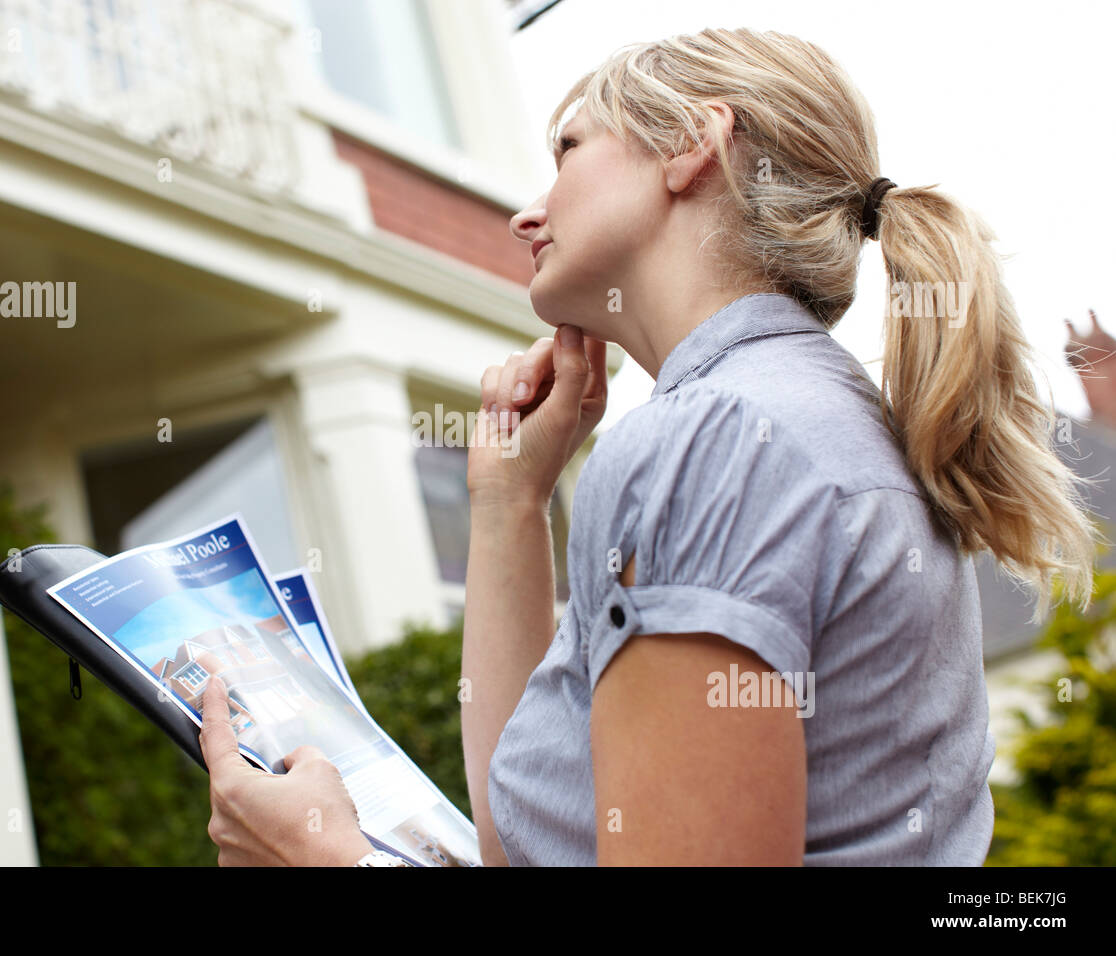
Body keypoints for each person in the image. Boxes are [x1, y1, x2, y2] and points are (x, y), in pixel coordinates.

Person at [199, 27, 1098, 866]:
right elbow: (528, 837)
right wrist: (510, 503)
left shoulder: (710, 441)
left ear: (692, 145)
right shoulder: (808, 419)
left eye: (569, 151)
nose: (527, 215)